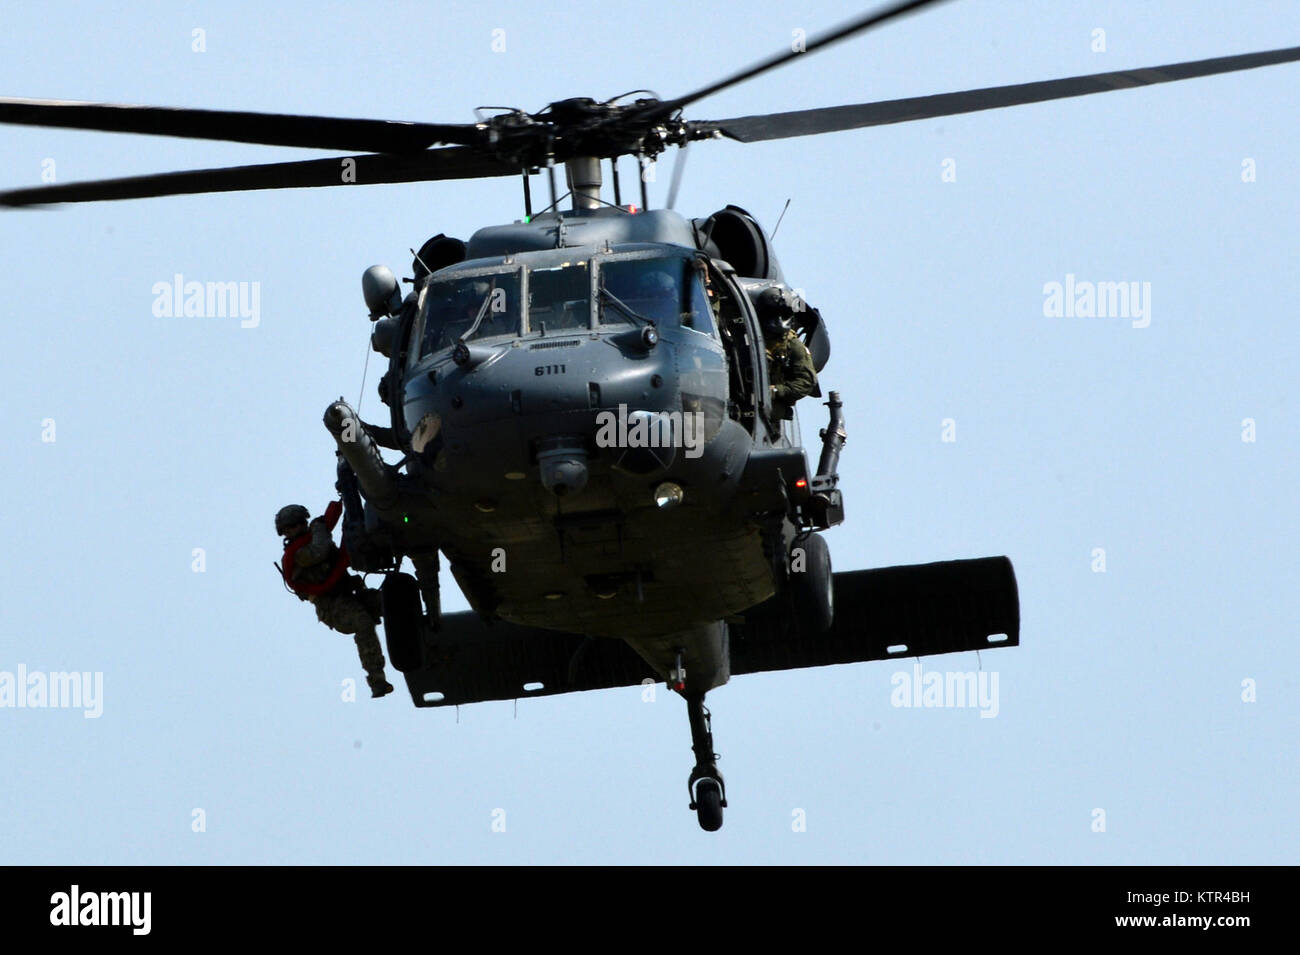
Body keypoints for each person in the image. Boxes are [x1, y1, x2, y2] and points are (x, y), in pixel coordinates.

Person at [275, 502, 394, 698]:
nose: (301, 527)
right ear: (285, 532)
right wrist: (320, 527)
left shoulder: (313, 536)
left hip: (351, 594)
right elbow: (320, 550)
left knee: (393, 602)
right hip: (332, 607)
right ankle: (377, 680)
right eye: (294, 526)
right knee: (362, 622)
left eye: (302, 523)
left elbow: (331, 529)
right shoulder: (297, 554)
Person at [757, 287, 818, 421]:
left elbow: (806, 382)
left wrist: (776, 390)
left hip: (764, 411)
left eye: (784, 314)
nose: (779, 320)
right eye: (772, 314)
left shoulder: (793, 345)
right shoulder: (746, 333)